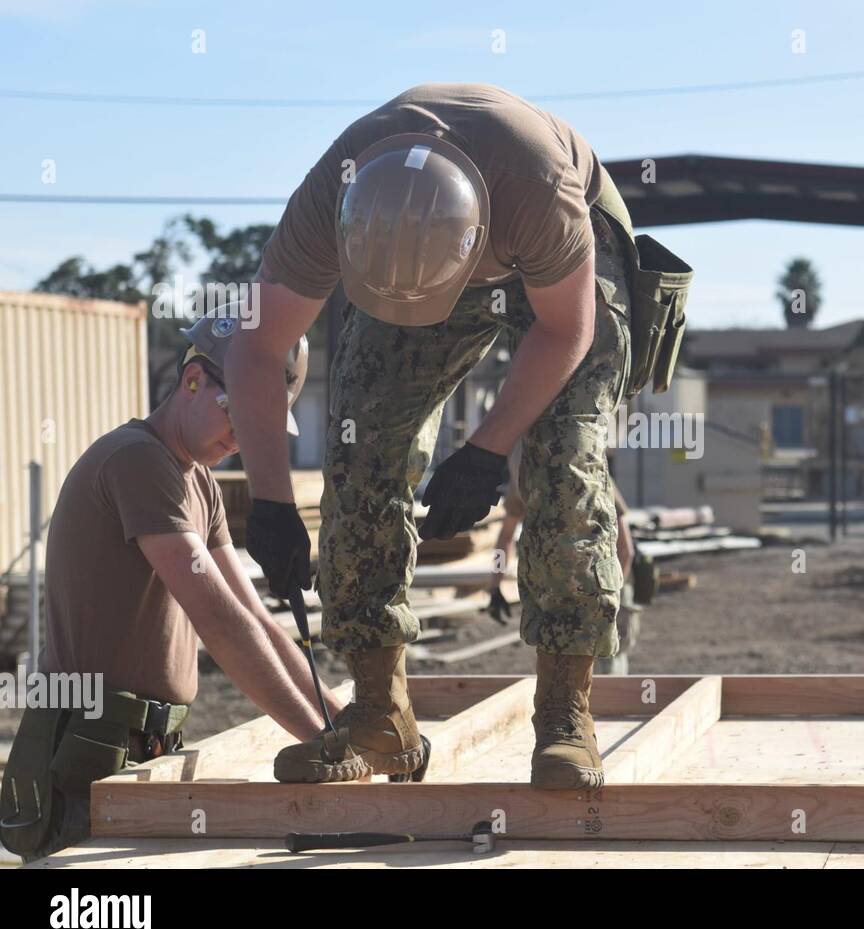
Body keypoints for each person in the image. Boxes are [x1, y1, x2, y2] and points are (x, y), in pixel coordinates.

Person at [222, 83, 637, 789]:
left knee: (563, 463)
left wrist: (486, 450)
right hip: (420, 247)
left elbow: (567, 330)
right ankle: (381, 716)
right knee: (363, 453)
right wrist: (270, 503)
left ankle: (566, 716)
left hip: (558, 265)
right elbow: (256, 350)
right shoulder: (337, 196)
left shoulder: (537, 188)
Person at [0, 309, 346, 863]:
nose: (244, 437)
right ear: (192, 381)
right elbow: (218, 621)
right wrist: (318, 741)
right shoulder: (139, 460)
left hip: (141, 742)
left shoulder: (199, 481)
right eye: (239, 414)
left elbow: (252, 616)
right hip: (88, 746)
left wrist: (341, 722)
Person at [485, 441, 635, 625]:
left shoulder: (592, 478)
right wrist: (495, 586)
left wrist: (610, 596)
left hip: (610, 583)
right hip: (567, 592)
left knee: (610, 649)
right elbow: (505, 540)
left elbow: (625, 549)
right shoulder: (524, 485)